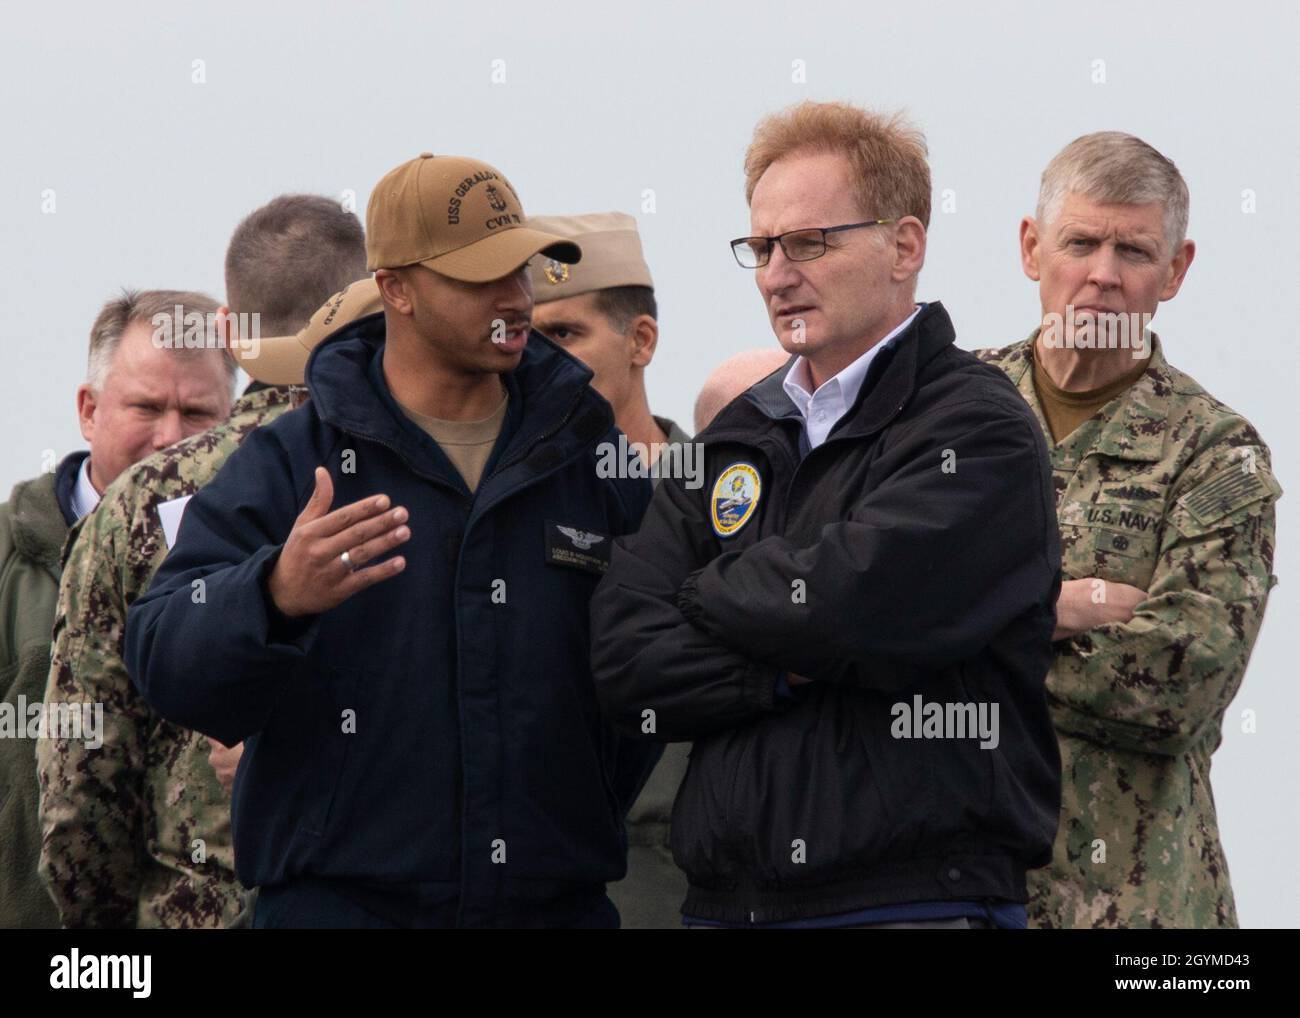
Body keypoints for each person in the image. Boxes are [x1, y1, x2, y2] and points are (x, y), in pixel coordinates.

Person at [125, 153, 660, 928]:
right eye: (480, 280)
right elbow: (164, 662)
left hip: (554, 910)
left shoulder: (590, 458)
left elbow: (645, 686)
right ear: (396, 288)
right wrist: (273, 597)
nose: (515, 301)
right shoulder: (291, 460)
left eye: (522, 273)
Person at [590, 100, 1062, 928]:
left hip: (912, 902)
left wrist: (701, 591)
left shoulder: (977, 429)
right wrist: (776, 668)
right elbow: (626, 656)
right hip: (724, 906)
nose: (777, 272)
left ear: (904, 246)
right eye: (763, 247)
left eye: (810, 241)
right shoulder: (731, 438)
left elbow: (862, 604)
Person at [37, 195, 369, 928]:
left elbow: (83, 777)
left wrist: (112, 930)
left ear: (229, 331)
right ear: (371, 308)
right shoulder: (424, 473)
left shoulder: (131, 508)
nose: (166, 433)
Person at [977, 132, 1282, 928]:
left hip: (1141, 908)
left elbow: (1185, 675)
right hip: (952, 889)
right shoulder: (947, 410)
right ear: (1031, 248)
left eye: (1135, 250)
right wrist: (1054, 609)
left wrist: (960, 640)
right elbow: (859, 603)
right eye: (1080, 242)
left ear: (1175, 271)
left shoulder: (1218, 452)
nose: (1103, 274)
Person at [0, 289, 232, 928]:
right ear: (89, 409)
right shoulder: (7, 561)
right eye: (147, 407)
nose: (171, 440)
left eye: (197, 412)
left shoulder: (277, 567)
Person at [527, 210, 691, 928]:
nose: (539, 361)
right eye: (523, 339)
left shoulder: (723, 500)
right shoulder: (501, 514)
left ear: (641, 341)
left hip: (684, 880)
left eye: (564, 335)